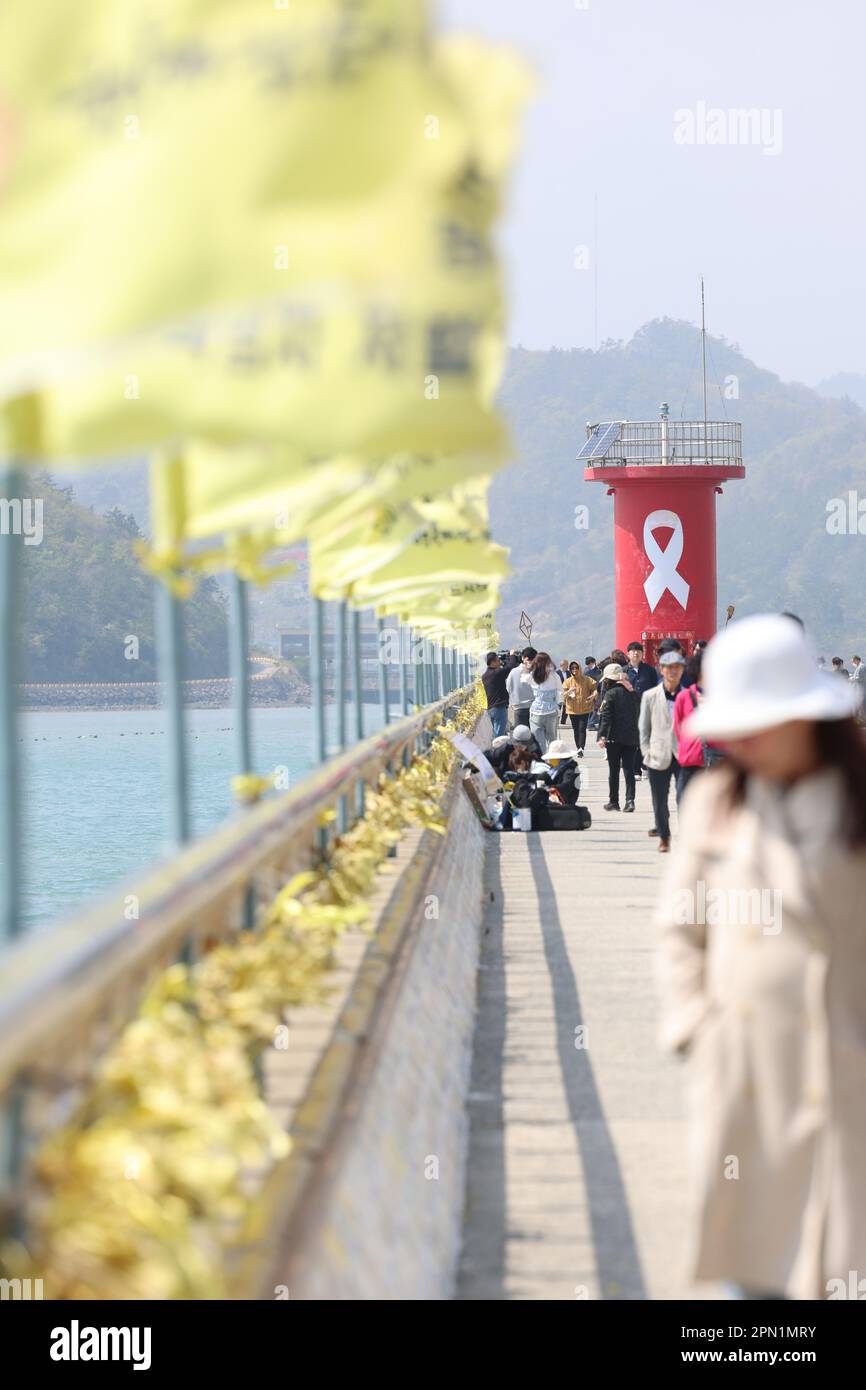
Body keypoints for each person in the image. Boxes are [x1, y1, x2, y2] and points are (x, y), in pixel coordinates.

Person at [656, 613, 865, 1301]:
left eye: (758, 723)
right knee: (754, 1269)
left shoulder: (855, 804)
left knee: (840, 1258)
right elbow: (680, 930)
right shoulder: (715, 803)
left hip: (846, 1065)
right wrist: (696, 1025)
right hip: (745, 1070)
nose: (738, 742)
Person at [638, 650, 685, 852]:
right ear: (662, 669)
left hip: (684, 754)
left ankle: (686, 834)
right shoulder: (650, 696)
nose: (673, 671)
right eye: (669, 667)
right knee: (659, 799)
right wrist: (646, 752)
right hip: (658, 753)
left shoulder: (689, 695)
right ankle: (664, 836)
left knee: (685, 796)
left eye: (677, 667)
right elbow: (644, 727)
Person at [597, 662, 640, 811]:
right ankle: (630, 801)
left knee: (614, 771)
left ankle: (614, 802)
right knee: (629, 770)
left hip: (613, 738)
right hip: (632, 738)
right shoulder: (633, 692)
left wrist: (601, 736)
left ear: (609, 680)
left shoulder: (610, 694)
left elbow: (605, 717)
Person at [672, 647, 710, 803]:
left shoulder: (723, 696)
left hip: (714, 761)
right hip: (690, 758)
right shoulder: (684, 697)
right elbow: (678, 728)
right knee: (684, 799)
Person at [626, 641, 660, 779]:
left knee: (646, 738)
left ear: (642, 653)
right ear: (628, 654)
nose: (636, 653)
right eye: (633, 651)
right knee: (633, 740)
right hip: (629, 710)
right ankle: (635, 770)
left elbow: (656, 689)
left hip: (647, 709)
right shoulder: (624, 671)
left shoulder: (650, 670)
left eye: (638, 651)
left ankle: (644, 766)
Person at [527, 651, 562, 755]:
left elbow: (528, 682)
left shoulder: (532, 675)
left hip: (536, 711)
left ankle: (542, 760)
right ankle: (553, 762)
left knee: (539, 742)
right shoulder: (554, 675)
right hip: (551, 710)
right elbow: (560, 692)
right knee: (552, 740)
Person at [561, 660, 597, 756]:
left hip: (585, 708)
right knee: (576, 729)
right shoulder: (567, 681)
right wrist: (569, 691)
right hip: (572, 710)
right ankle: (578, 747)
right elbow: (563, 695)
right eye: (572, 668)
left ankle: (581, 748)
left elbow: (595, 689)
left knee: (582, 729)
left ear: (580, 668)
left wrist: (593, 696)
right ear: (570, 669)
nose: (575, 670)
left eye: (576, 668)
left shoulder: (587, 679)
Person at [506, 646, 537, 729]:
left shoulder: (513, 672)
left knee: (521, 737)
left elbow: (508, 688)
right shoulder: (535, 672)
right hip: (534, 709)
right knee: (535, 736)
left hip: (519, 708)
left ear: (523, 658)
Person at [543, 738, 581, 805]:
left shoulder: (570, 771)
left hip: (564, 804)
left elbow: (565, 786)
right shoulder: (555, 768)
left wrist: (549, 789)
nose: (550, 760)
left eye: (552, 758)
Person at [481, 650, 509, 738]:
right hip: (499, 708)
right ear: (492, 662)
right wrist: (511, 656)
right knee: (499, 736)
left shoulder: (485, 675)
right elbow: (510, 666)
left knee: (496, 732)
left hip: (491, 708)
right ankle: (496, 751)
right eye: (498, 660)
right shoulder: (497, 673)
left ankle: (498, 750)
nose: (500, 662)